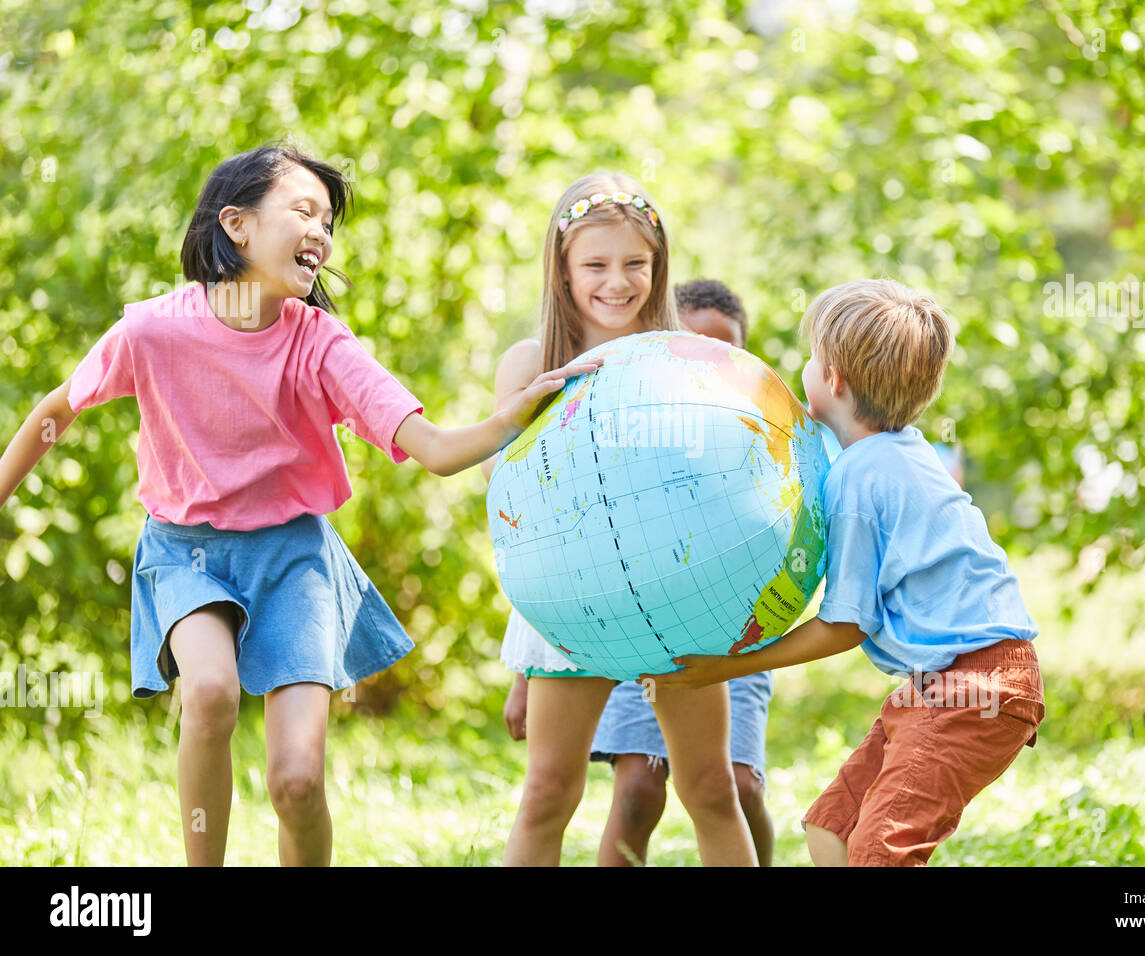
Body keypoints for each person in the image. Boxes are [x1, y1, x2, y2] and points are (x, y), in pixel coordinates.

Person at [0, 144, 596, 866]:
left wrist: (511, 417)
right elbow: (53, 413)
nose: (321, 232)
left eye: (329, 221)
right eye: (303, 211)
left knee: (297, 781)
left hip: (295, 562)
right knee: (211, 691)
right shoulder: (153, 331)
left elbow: (435, 450)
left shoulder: (321, 346)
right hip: (186, 551)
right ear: (237, 224)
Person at [644, 278, 1044, 867]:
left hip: (974, 684)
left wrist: (728, 667)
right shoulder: (897, 449)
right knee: (830, 831)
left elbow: (846, 624)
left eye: (811, 357)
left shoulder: (862, 478)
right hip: (946, 682)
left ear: (833, 379)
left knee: (879, 854)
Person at [486, 174, 758, 866]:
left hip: (678, 600)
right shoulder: (531, 362)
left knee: (710, 789)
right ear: (563, 270)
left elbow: (725, 478)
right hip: (573, 601)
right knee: (548, 790)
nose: (618, 282)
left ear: (658, 266)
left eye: (636, 264)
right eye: (596, 266)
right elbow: (502, 493)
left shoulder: (686, 359)